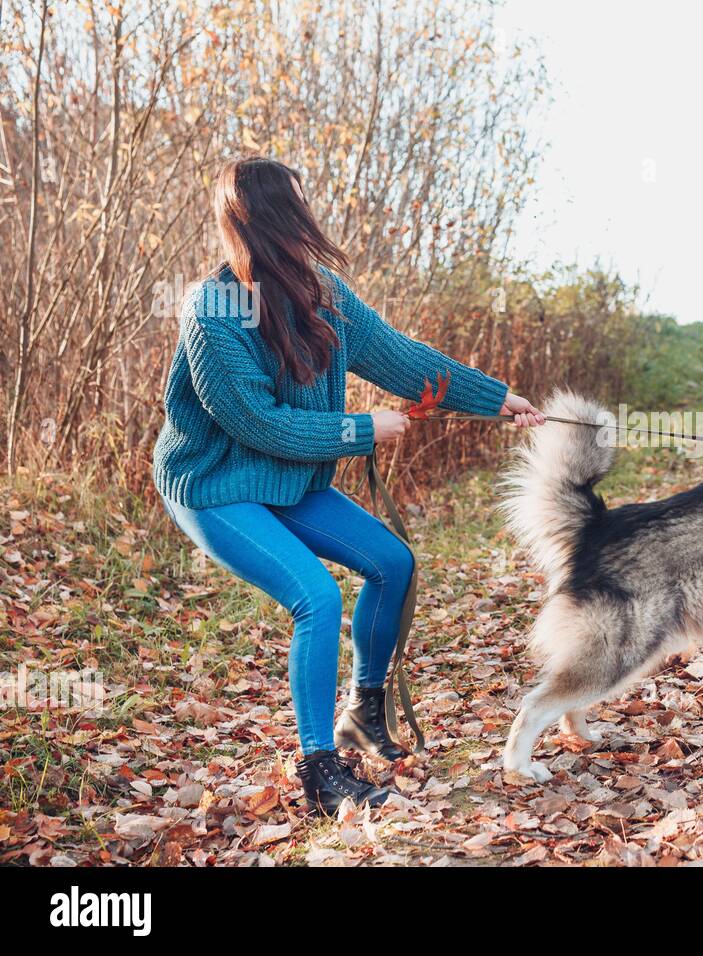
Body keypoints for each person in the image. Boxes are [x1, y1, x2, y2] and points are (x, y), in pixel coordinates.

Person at [152, 156, 543, 814]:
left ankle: (363, 709)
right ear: (266, 220)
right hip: (217, 482)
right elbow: (258, 424)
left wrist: (496, 398)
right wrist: (361, 428)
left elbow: (400, 357)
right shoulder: (212, 309)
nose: (311, 219)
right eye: (298, 207)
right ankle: (319, 772)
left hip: (290, 478)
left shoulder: (322, 292)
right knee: (315, 596)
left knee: (392, 562)